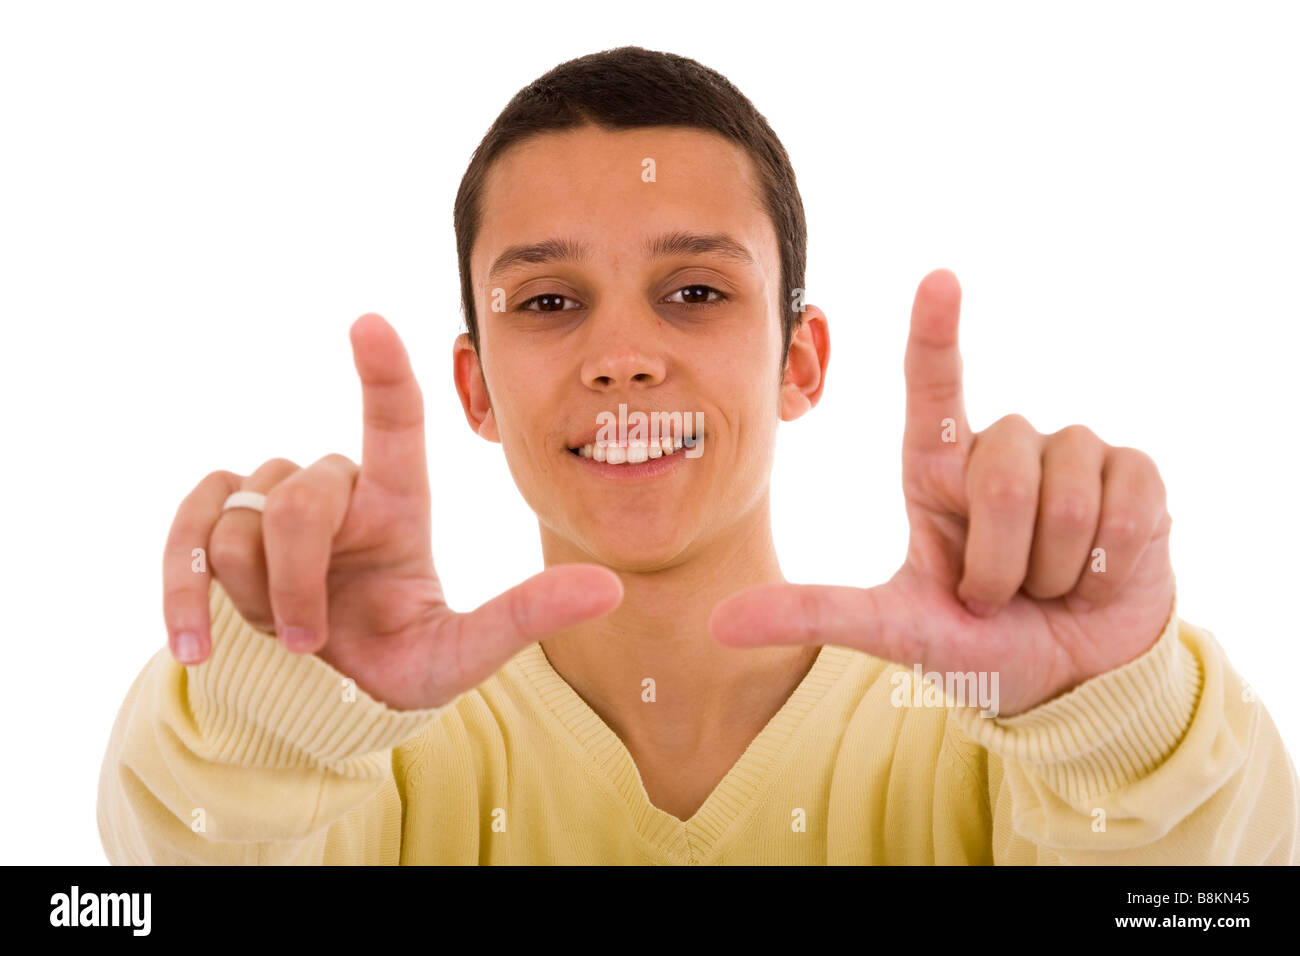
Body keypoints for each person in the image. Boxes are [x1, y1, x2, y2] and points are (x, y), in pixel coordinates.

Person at [98, 45, 1298, 865]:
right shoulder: (370, 756)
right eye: (550, 302)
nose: (621, 355)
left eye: (691, 290)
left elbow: (1198, 895)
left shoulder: (991, 737)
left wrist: (1111, 719)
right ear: (475, 384)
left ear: (801, 361)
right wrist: (276, 712)